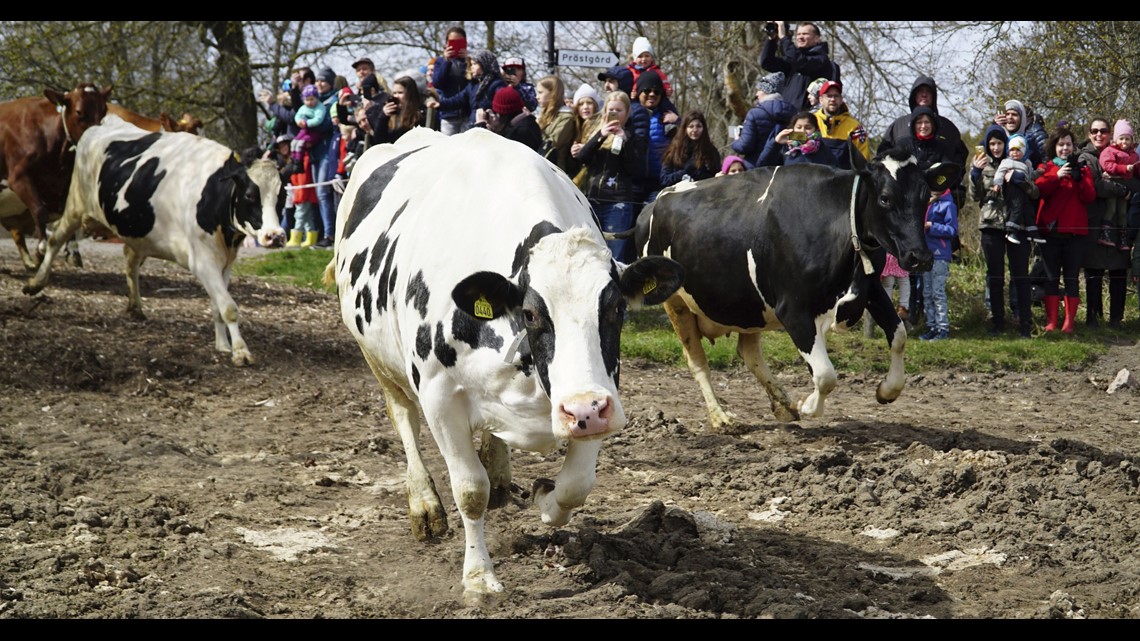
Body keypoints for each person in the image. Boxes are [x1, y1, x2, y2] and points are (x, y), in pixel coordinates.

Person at [972, 124, 1037, 337]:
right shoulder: (982, 164)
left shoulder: (1021, 161)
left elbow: (1035, 192)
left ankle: (1025, 322)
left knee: (1021, 275)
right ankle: (997, 322)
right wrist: (975, 174)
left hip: (1017, 226)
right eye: (992, 144)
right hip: (991, 226)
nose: (996, 147)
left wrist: (1022, 182)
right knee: (995, 276)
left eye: (999, 143)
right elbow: (975, 196)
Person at [1035, 126, 1096, 334]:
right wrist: (1057, 176)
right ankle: (1052, 321)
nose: (1064, 148)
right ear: (1054, 146)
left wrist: (1079, 180)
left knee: (1071, 278)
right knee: (1051, 278)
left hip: (1074, 234)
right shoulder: (1046, 167)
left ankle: (1069, 323)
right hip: (1050, 232)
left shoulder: (1083, 169)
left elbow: (1089, 196)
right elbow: (1039, 190)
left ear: (1073, 146)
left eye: (1068, 144)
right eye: (1061, 144)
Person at [572, 90, 646, 263]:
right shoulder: (597, 132)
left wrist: (625, 140)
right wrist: (600, 135)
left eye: (619, 110)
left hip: (618, 204)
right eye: (611, 110)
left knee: (613, 257)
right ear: (605, 111)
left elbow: (637, 170)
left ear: (627, 112)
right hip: (592, 200)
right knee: (589, 254)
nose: (615, 113)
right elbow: (582, 158)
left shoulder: (633, 136)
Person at [1080, 116, 1132, 328]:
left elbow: (1134, 180)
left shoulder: (1124, 154)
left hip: (1119, 224)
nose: (1099, 134)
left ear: (1110, 134)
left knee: (1119, 272)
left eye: (1103, 131)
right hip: (1094, 222)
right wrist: (1121, 189)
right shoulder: (1085, 157)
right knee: (1094, 272)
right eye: (1095, 131)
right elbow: (1095, 186)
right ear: (1089, 134)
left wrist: (1123, 184)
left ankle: (1116, 319)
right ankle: (1093, 318)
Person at [760, 20, 840, 111]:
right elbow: (767, 62)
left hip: (810, 115)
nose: (800, 37)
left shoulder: (821, 60)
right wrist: (772, 39)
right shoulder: (793, 60)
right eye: (798, 34)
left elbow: (800, 61)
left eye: (805, 34)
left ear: (817, 39)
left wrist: (783, 38)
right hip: (788, 114)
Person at [731, 71, 796, 168]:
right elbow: (799, 138)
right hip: (784, 167)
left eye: (759, 89)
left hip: (756, 168)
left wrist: (736, 141)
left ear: (766, 90)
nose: (757, 94)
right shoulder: (793, 112)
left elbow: (744, 146)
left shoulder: (754, 113)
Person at [428, 49, 506, 131]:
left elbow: (502, 106)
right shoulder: (473, 85)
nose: (472, 67)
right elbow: (457, 100)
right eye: (471, 64)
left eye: (475, 64)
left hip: (490, 128)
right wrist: (440, 104)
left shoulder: (497, 84)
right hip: (474, 126)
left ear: (485, 64)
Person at [918, 186, 958, 341]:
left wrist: (932, 227)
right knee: (927, 292)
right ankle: (932, 326)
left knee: (938, 292)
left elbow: (952, 230)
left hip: (940, 254)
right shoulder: (926, 202)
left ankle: (943, 327)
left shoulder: (948, 205)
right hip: (926, 253)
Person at [632, 72, 679, 204]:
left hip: (658, 183)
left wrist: (678, 121)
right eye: (647, 90)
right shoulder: (628, 114)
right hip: (633, 183)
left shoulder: (668, 117)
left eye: (657, 92)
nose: (652, 94)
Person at [1096, 118, 1140, 250]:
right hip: (1113, 185)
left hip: (1126, 187)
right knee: (1112, 209)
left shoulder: (1133, 154)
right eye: (1121, 138)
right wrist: (1124, 168)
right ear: (1115, 139)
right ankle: (1105, 234)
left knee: (1122, 212)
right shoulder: (1110, 151)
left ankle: (1123, 238)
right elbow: (1107, 165)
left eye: (1127, 139)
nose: (1124, 142)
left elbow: (1136, 170)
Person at [310, 67, 342, 248]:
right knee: (319, 193)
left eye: (323, 81)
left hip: (328, 152)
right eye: (317, 80)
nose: (319, 84)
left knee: (324, 193)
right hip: (315, 152)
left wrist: (309, 121)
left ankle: (330, 235)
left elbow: (324, 125)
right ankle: (327, 233)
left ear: (330, 82)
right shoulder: (315, 101)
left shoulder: (333, 100)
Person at [992, 133, 1040, 245]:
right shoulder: (1007, 162)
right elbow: (1000, 173)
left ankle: (1032, 231)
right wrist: (997, 184)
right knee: (1016, 207)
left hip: (1025, 189)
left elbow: (1030, 175)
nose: (1014, 153)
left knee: (1028, 209)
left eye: (1018, 150)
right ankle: (1011, 230)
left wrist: (1038, 173)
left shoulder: (1027, 163)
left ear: (1024, 151)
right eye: (1012, 150)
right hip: (1013, 189)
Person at [813, 80, 870, 167]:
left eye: (836, 96)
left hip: (843, 174)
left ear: (841, 100)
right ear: (821, 99)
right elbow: (796, 145)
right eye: (829, 96)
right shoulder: (810, 121)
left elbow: (863, 163)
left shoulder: (855, 127)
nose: (832, 99)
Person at [659, 110, 721, 188]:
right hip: (678, 191)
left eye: (698, 126)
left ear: (703, 128)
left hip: (703, 191)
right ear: (685, 128)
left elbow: (716, 178)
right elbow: (664, 180)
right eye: (691, 127)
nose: (695, 130)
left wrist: (698, 174)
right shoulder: (674, 150)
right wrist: (684, 173)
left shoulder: (710, 151)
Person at [477, 85, 543, 153]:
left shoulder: (520, 132)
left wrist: (481, 126)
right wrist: (494, 130)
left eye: (497, 113)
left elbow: (492, 153)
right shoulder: (525, 123)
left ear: (502, 115)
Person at [431, 26, 471, 135]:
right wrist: (446, 62)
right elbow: (438, 83)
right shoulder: (440, 62)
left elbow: (473, 82)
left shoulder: (471, 62)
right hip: (449, 115)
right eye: (453, 42)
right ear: (446, 44)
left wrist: (467, 62)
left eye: (459, 42)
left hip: (467, 114)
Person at [362, 76, 425, 146]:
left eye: (400, 93)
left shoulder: (419, 113)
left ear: (410, 94)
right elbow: (379, 140)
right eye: (394, 93)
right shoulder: (392, 114)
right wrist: (383, 116)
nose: (396, 96)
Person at [759, 110, 836, 167]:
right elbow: (763, 166)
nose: (803, 131)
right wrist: (775, 143)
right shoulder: (785, 148)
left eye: (808, 128)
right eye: (799, 127)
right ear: (793, 129)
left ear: (815, 129)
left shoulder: (822, 149)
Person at [535, 75, 577, 175]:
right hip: (539, 165)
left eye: (540, 92)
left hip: (555, 170)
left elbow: (553, 143)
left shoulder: (566, 117)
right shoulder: (543, 115)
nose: (537, 97)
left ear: (553, 93)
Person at [570, 83, 603, 189]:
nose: (585, 107)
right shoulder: (575, 125)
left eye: (589, 103)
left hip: (596, 179)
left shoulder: (602, 124)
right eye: (581, 104)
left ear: (595, 105)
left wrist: (586, 148)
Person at [290, 84, 327, 173]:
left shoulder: (320, 107)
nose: (310, 102)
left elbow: (318, 119)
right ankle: (294, 161)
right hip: (304, 130)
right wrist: (299, 122)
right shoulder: (303, 108)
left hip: (314, 131)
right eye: (307, 100)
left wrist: (307, 123)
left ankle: (299, 162)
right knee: (294, 142)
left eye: (312, 99)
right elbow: (297, 116)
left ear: (316, 98)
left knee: (301, 143)